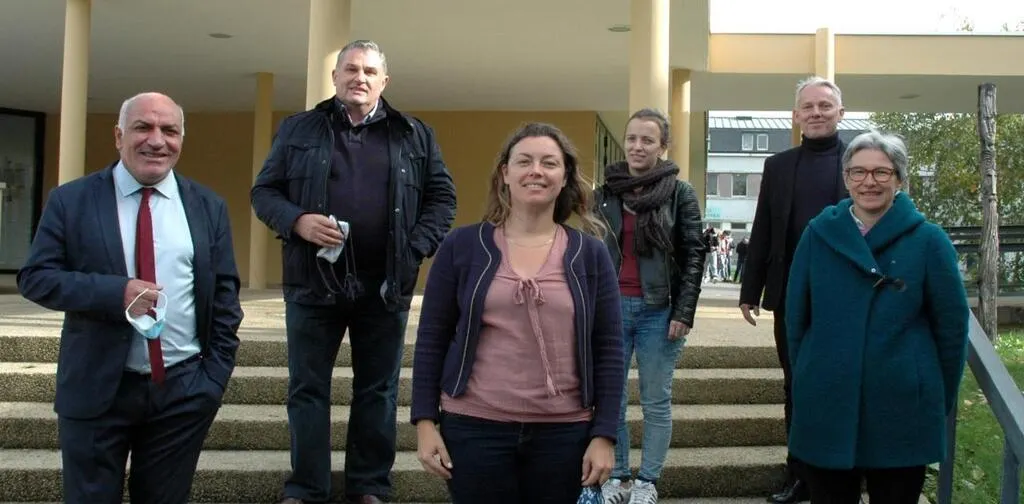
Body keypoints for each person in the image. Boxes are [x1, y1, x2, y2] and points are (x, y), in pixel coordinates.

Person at [250, 40, 457, 504]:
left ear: (384, 81)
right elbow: (265, 192)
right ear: (335, 77)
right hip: (312, 283)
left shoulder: (413, 134)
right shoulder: (298, 128)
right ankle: (306, 488)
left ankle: (368, 487)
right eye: (350, 69)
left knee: (377, 391)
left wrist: (413, 248)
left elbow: (442, 200)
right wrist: (297, 221)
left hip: (385, 286)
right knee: (307, 389)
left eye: (368, 71)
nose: (358, 78)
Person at [17, 92, 243, 503]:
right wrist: (114, 291)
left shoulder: (208, 206)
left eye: (169, 130)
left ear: (181, 140)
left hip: (182, 390)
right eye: (143, 127)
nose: (156, 140)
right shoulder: (72, 200)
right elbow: (36, 278)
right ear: (119, 136)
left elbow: (225, 297)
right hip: (96, 388)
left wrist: (212, 380)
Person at [410, 122, 624, 503]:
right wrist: (425, 422)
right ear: (505, 174)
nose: (535, 171)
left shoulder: (590, 253)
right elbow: (432, 339)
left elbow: (608, 349)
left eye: (549, 163)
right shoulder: (462, 246)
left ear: (565, 178)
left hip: (564, 433)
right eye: (523, 161)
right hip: (474, 427)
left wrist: (605, 435)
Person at [785, 131, 969, 503]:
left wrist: (933, 396)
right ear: (846, 178)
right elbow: (796, 320)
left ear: (899, 179)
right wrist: (809, 375)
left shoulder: (929, 241)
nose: (869, 182)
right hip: (827, 401)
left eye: (882, 173)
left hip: (902, 408)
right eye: (858, 172)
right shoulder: (818, 235)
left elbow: (952, 330)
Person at [739, 75, 850, 504]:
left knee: (843, 384)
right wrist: (750, 290)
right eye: (809, 106)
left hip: (849, 296)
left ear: (841, 113)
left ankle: (845, 473)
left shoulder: (860, 159)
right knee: (797, 386)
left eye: (825, 106)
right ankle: (800, 475)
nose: (817, 113)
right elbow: (764, 228)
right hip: (793, 297)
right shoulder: (779, 166)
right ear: (796, 115)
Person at [592, 108, 705, 504]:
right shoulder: (605, 191)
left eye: (647, 140)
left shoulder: (679, 192)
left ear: (662, 146)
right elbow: (591, 251)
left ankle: (647, 482)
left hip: (660, 310)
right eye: (632, 138)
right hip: (609, 310)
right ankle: (618, 476)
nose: (638, 146)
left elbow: (694, 254)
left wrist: (684, 312)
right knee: (612, 397)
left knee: (656, 399)